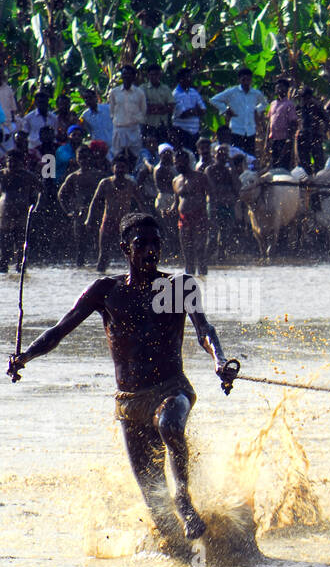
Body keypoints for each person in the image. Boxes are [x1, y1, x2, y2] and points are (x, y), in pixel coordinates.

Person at [7, 212, 238, 549]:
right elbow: (60, 330)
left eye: (155, 244)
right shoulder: (106, 292)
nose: (150, 251)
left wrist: (219, 361)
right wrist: (25, 356)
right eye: (140, 244)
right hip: (130, 402)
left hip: (172, 389)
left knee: (171, 425)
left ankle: (185, 501)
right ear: (124, 249)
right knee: (158, 513)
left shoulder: (180, 286)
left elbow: (206, 331)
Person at [87, 152, 147, 272]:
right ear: (112, 167)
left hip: (125, 224)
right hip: (108, 222)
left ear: (127, 169)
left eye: (122, 167)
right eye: (117, 166)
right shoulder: (105, 183)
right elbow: (94, 202)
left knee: (131, 254)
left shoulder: (131, 184)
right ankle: (100, 280)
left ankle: (133, 279)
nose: (120, 169)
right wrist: (89, 219)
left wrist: (147, 219)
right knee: (104, 255)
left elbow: (142, 203)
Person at [58, 144, 105, 266]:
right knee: (80, 249)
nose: (84, 160)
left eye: (86, 157)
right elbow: (61, 195)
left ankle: (98, 275)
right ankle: (80, 272)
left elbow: (108, 194)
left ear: (91, 158)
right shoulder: (73, 177)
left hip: (97, 214)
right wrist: (68, 211)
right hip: (80, 214)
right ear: (77, 159)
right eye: (81, 157)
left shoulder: (99, 175)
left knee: (99, 246)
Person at [0, 151, 43, 273]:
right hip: (4, 215)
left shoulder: (27, 176)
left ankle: (21, 270)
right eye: (10, 161)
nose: (12, 164)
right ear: (6, 162)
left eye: (15, 162)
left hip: (22, 214)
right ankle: (4, 272)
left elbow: (41, 190)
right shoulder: (2, 175)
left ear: (21, 163)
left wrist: (36, 207)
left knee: (21, 247)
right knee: (4, 246)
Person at [210, 68, 267, 155]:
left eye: (248, 79)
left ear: (251, 80)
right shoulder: (232, 92)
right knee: (236, 154)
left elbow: (264, 103)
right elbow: (214, 100)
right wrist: (225, 110)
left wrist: (256, 110)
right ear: (239, 80)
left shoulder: (256, 93)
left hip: (250, 130)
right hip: (236, 130)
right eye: (243, 79)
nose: (246, 82)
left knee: (250, 155)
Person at [171, 149, 210, 276]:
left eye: (180, 163)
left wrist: (211, 215)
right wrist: (171, 210)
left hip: (200, 217)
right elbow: (177, 201)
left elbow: (212, 195)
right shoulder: (176, 180)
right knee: (187, 251)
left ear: (187, 162)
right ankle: (190, 279)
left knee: (200, 250)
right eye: (176, 163)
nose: (178, 165)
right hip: (183, 219)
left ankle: (203, 278)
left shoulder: (201, 177)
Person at [205, 144, 240, 263]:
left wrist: (233, 168)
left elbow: (237, 187)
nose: (222, 156)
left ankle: (221, 260)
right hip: (215, 207)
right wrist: (227, 192)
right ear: (214, 155)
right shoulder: (210, 170)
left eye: (225, 154)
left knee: (225, 237)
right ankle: (205, 261)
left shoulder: (229, 171)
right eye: (219, 153)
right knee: (213, 237)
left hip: (228, 207)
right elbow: (213, 189)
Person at [107, 65, 148, 162]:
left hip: (134, 129)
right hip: (119, 129)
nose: (126, 76)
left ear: (134, 77)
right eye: (124, 74)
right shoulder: (114, 92)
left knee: (135, 156)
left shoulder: (139, 93)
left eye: (129, 74)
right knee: (118, 156)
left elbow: (143, 110)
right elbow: (112, 111)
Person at [171, 68, 206, 151]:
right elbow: (183, 114)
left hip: (195, 132)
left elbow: (203, 110)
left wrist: (192, 111)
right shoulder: (176, 94)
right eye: (187, 77)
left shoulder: (193, 92)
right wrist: (195, 110)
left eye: (190, 77)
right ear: (181, 79)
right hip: (181, 132)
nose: (190, 79)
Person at [267, 78, 298, 170]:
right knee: (274, 162)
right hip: (274, 139)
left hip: (284, 139)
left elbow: (293, 123)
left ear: (286, 89)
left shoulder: (289, 104)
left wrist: (289, 140)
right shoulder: (273, 104)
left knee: (284, 162)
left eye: (282, 87)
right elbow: (270, 122)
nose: (279, 89)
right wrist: (267, 141)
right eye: (278, 87)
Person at [141, 63, 173, 153]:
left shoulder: (166, 89)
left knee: (162, 148)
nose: (154, 77)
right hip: (148, 125)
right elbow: (143, 107)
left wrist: (157, 108)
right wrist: (161, 107)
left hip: (162, 125)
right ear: (148, 75)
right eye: (152, 75)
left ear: (160, 75)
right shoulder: (143, 89)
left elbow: (171, 107)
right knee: (147, 149)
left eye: (156, 74)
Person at [295, 86, 327, 173]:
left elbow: (326, 120)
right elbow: (295, 121)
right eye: (304, 98)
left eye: (308, 97)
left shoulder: (317, 107)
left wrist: (323, 132)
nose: (306, 100)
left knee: (319, 161)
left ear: (311, 97)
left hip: (315, 136)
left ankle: (318, 180)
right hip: (302, 137)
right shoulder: (299, 107)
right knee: (303, 162)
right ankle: (307, 181)